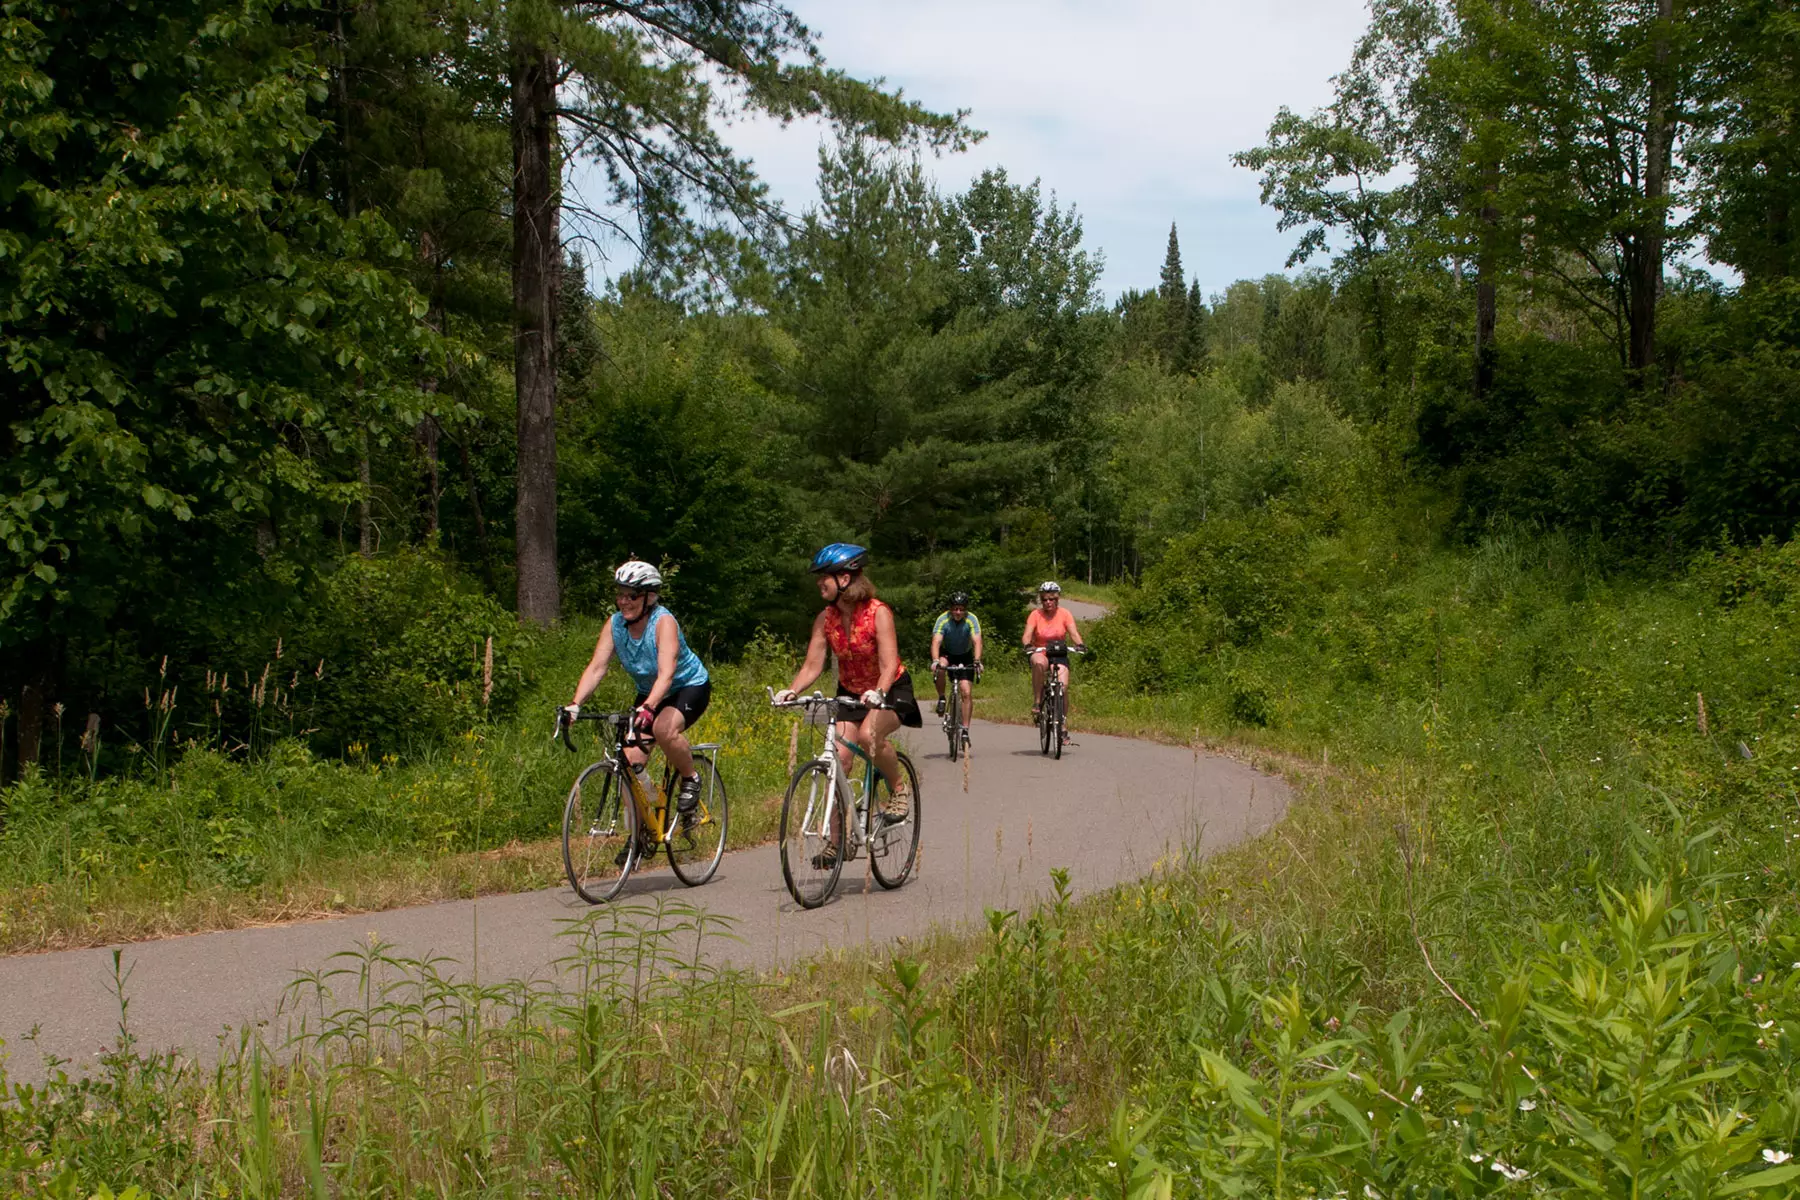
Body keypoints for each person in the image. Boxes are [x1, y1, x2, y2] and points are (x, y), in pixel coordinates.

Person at [774, 543, 921, 864]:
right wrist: (793, 690)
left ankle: (898, 790)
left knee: (869, 736)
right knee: (837, 758)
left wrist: (878, 692)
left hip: (891, 688)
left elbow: (888, 662)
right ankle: (838, 842)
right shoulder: (825, 618)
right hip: (850, 691)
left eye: (823, 578)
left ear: (844, 578)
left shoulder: (878, 612)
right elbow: (814, 665)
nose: (819, 584)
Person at [564, 561, 711, 848]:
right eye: (620, 594)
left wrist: (649, 706)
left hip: (687, 687)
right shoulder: (615, 624)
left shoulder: (663, 622)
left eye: (632, 595)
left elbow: (667, 674)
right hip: (649, 691)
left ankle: (691, 778)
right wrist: (575, 704)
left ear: (649, 597)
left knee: (664, 728)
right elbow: (597, 667)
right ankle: (642, 836)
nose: (624, 601)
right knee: (630, 762)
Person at [1023, 580, 1084, 722]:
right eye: (1044, 599)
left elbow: (1073, 633)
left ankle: (1062, 724)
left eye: (1051, 599)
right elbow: (1027, 635)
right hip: (1041, 650)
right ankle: (1038, 701)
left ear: (1057, 599)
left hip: (1058, 652)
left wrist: (1080, 644)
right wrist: (1027, 645)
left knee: (1063, 688)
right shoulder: (1035, 615)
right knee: (1038, 663)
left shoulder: (1065, 614)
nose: (1048, 602)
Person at [930, 590, 983, 731]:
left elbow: (977, 641)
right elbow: (936, 641)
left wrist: (977, 661)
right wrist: (935, 660)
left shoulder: (972, 619)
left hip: (965, 655)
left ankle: (965, 729)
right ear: (950, 609)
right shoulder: (943, 619)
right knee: (940, 667)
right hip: (948, 654)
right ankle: (941, 697)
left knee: (966, 692)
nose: (958, 612)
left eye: (961, 609)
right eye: (955, 609)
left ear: (966, 610)